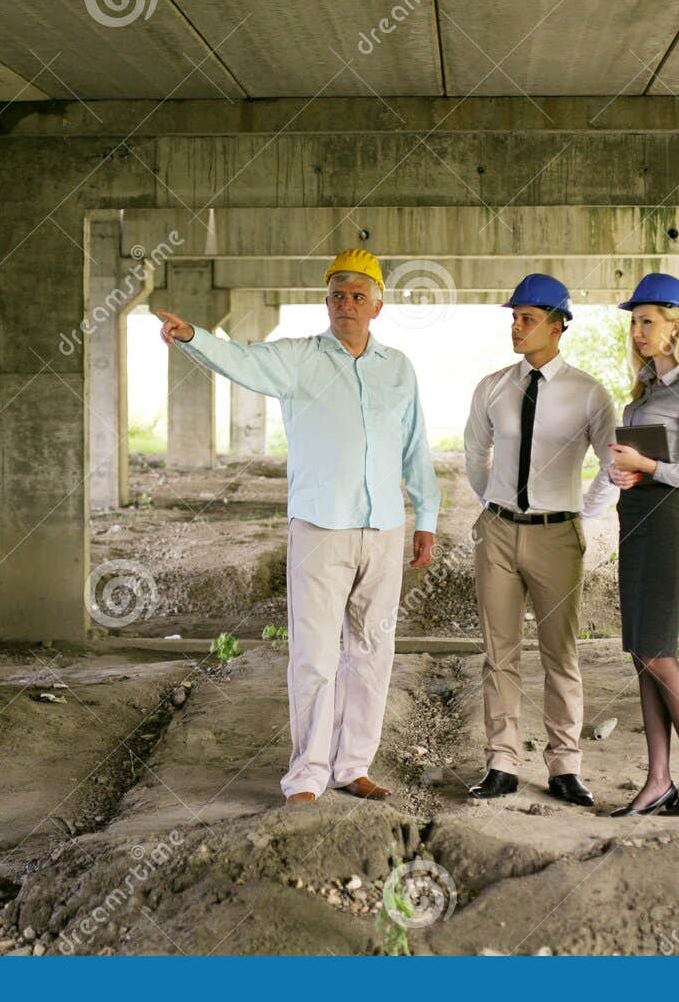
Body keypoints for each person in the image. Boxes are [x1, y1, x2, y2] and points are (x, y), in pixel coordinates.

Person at [155, 248, 439, 806]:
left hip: (382, 528)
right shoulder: (299, 359)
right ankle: (307, 773)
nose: (346, 306)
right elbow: (240, 361)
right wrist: (193, 337)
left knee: (372, 652)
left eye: (358, 296)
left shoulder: (398, 368)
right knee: (314, 655)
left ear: (377, 307)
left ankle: (353, 765)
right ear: (326, 303)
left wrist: (425, 518)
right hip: (320, 528)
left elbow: (415, 446)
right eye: (337, 296)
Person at [462, 274, 619, 805]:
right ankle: (502, 762)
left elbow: (612, 464)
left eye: (527, 318)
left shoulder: (589, 393)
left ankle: (564, 767)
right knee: (498, 653)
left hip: (559, 535)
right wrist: (497, 508)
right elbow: (474, 456)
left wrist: (581, 515)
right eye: (513, 317)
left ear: (558, 326)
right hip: (499, 535)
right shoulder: (492, 387)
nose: (516, 326)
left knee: (561, 655)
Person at [605, 273, 679, 817]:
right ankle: (658, 779)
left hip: (664, 523)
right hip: (635, 515)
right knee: (641, 654)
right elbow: (641, 463)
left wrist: (648, 466)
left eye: (648, 320)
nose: (637, 330)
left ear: (676, 327)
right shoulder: (645, 390)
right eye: (634, 321)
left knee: (659, 652)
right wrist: (625, 474)